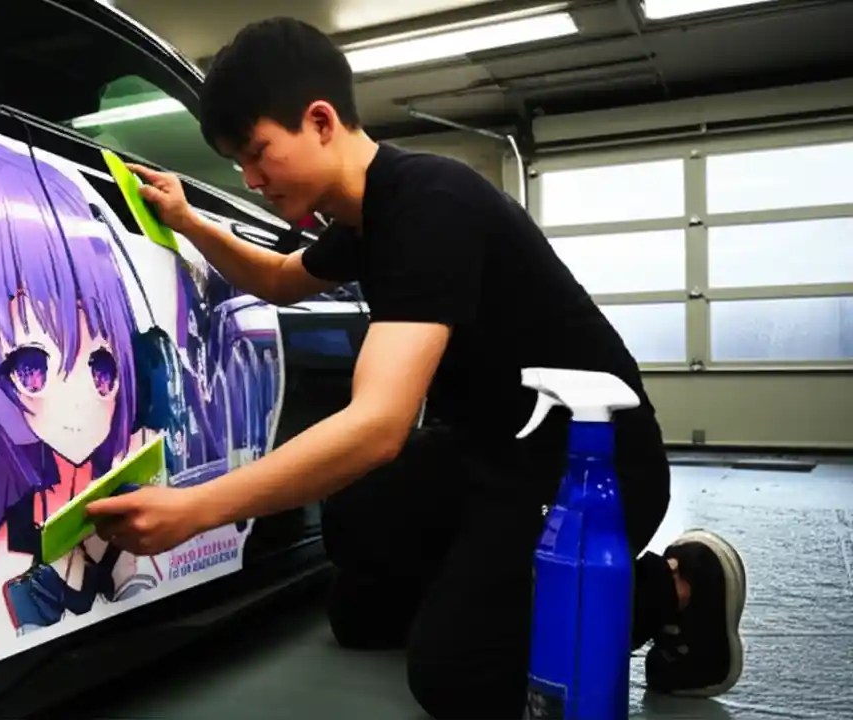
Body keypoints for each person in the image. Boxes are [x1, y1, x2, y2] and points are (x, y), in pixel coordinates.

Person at [85, 16, 747, 718]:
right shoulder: (364, 219)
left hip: (588, 469)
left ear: (318, 121)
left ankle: (679, 585)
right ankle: (488, 584)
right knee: (358, 596)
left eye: (256, 154)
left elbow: (378, 428)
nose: (249, 181)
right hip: (490, 451)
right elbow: (280, 276)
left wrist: (196, 510)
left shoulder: (431, 204)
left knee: (456, 674)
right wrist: (188, 222)